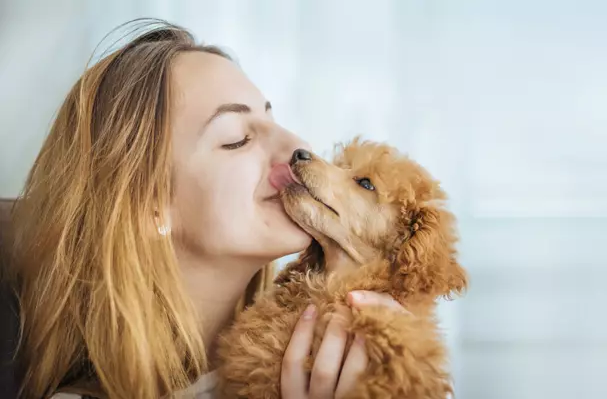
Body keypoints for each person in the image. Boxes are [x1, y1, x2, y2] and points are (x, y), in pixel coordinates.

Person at [9, 20, 409, 398]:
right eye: (237, 139)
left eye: (274, 118)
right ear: (148, 208)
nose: (295, 148)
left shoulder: (359, 357)